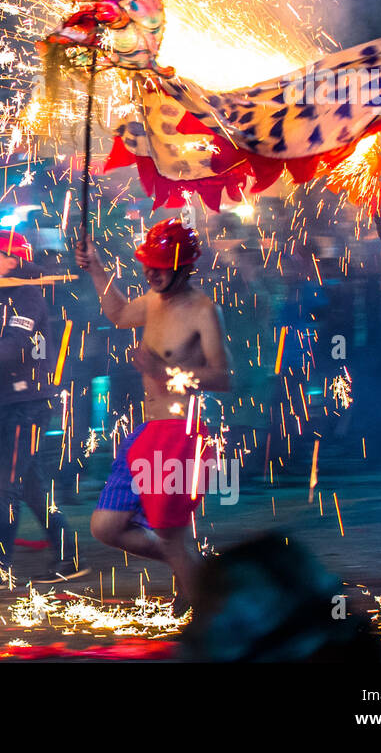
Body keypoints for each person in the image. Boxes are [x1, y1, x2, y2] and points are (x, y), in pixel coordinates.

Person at [75, 219, 231, 615]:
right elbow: (119, 314)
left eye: (161, 266)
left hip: (183, 432)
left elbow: (222, 377)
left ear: (184, 267)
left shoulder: (202, 310)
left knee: (169, 533)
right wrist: (95, 267)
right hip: (150, 431)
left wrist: (166, 374)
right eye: (149, 264)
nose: (152, 273)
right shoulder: (152, 299)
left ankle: (205, 611)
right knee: (105, 527)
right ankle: (193, 571)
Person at [0, 231, 87, 589]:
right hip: (11, 402)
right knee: (30, 488)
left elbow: (14, 346)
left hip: (29, 405)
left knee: (8, 485)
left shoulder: (27, 295)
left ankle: (0, 568)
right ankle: (69, 556)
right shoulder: (0, 295)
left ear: (13, 259)